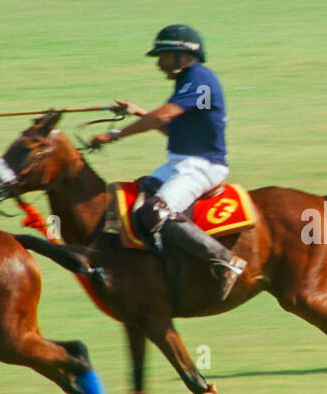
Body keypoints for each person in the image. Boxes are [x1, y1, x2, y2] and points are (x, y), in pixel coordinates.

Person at [91, 25, 246, 300]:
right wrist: (136, 112)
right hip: (179, 163)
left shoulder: (199, 80)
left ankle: (225, 260)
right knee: (135, 196)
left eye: (163, 56)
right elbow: (169, 128)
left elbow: (162, 118)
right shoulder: (188, 81)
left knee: (156, 212)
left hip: (202, 166)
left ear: (181, 55)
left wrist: (115, 135)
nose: (159, 64)